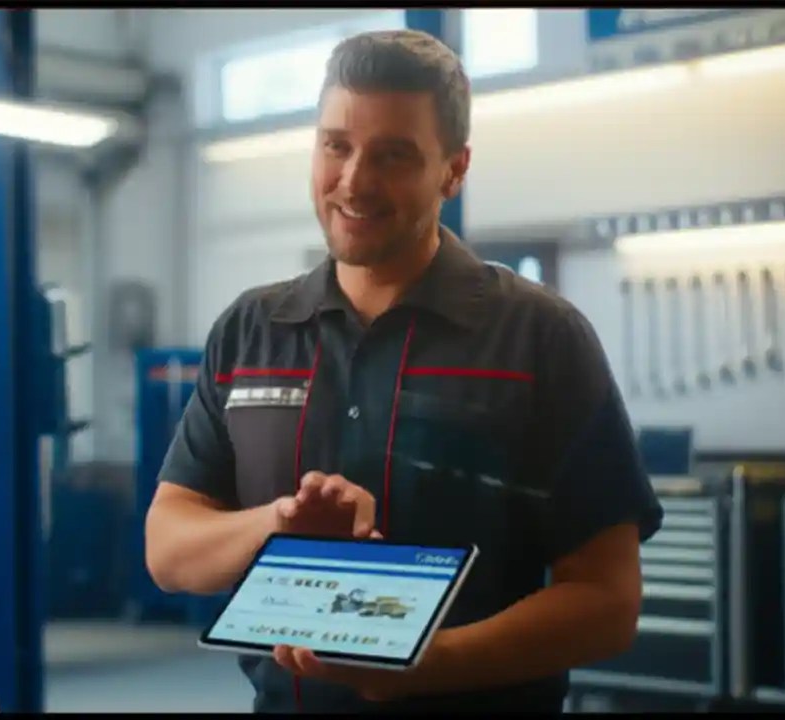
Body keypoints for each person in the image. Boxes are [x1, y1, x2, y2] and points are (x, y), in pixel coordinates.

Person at [144, 29, 663, 713]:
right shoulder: (250, 333)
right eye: (336, 145)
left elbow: (607, 601)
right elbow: (169, 549)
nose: (354, 180)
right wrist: (276, 522)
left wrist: (426, 666)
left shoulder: (540, 340)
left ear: (454, 168)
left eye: (393, 155)